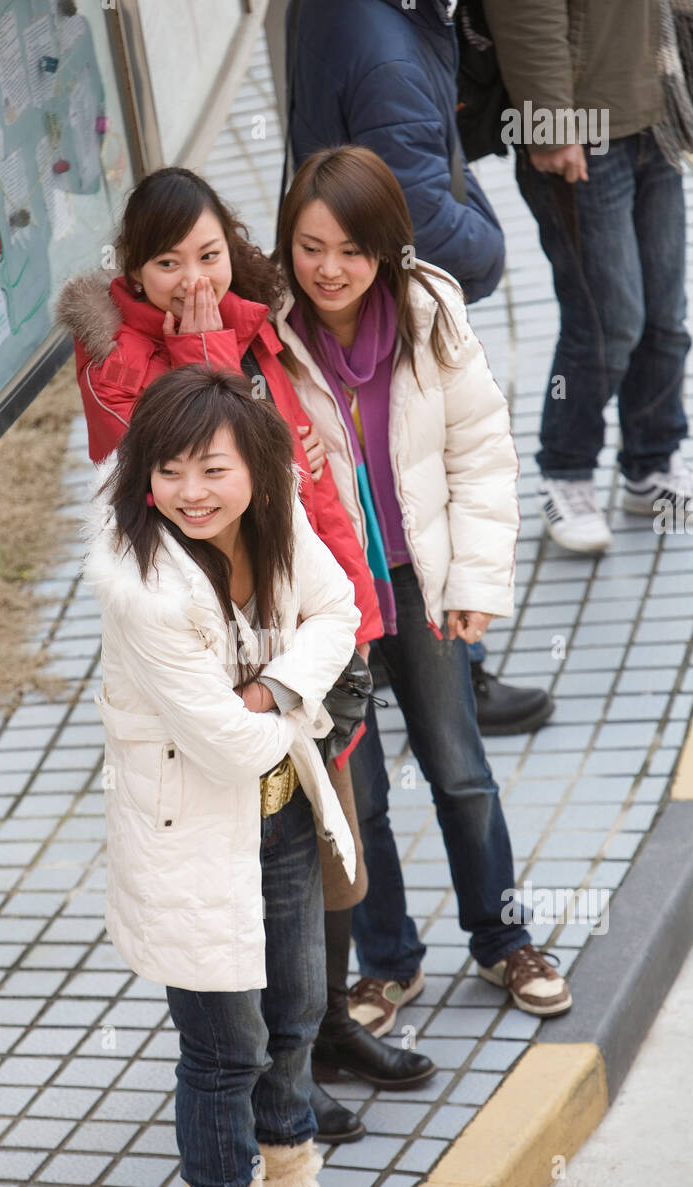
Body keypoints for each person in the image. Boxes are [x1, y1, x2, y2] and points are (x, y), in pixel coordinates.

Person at [57, 167, 436, 1145]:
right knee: (268, 874)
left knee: (335, 847)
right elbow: (163, 455)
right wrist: (192, 342)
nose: (191, 275)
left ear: (231, 245)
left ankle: (328, 1030)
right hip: (235, 658)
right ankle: (282, 1084)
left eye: (208, 253)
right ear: (133, 272)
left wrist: (349, 598)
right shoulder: (120, 352)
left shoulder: (261, 313)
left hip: (313, 608)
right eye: (167, 260)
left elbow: (301, 453)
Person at [82, 364, 386, 1187]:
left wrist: (270, 692)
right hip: (192, 839)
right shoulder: (141, 584)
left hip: (284, 813)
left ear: (253, 463)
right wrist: (295, 708)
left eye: (211, 470)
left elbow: (340, 609)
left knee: (294, 1019)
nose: (190, 494)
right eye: (167, 472)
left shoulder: (279, 511)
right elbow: (222, 749)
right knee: (223, 1054)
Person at [273, 144, 573, 1045]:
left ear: (388, 250)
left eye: (352, 250)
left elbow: (480, 452)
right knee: (355, 796)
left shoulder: (430, 310)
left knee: (460, 768)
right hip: (331, 599)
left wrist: (476, 581)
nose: (329, 269)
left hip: (424, 578)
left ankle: (503, 937)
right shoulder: (272, 333)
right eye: (311, 246)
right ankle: (388, 960)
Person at [285, 0, 554, 737]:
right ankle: (449, 675)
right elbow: (424, 220)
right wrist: (493, 248)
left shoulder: (348, 15)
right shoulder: (390, 54)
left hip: (353, 294)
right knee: (410, 476)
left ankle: (428, 669)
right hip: (381, 307)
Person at [481, 0, 693, 552]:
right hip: (581, 130)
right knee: (607, 322)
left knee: (666, 312)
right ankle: (566, 472)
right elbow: (526, 12)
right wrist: (549, 124)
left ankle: (651, 460)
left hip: (656, 114)